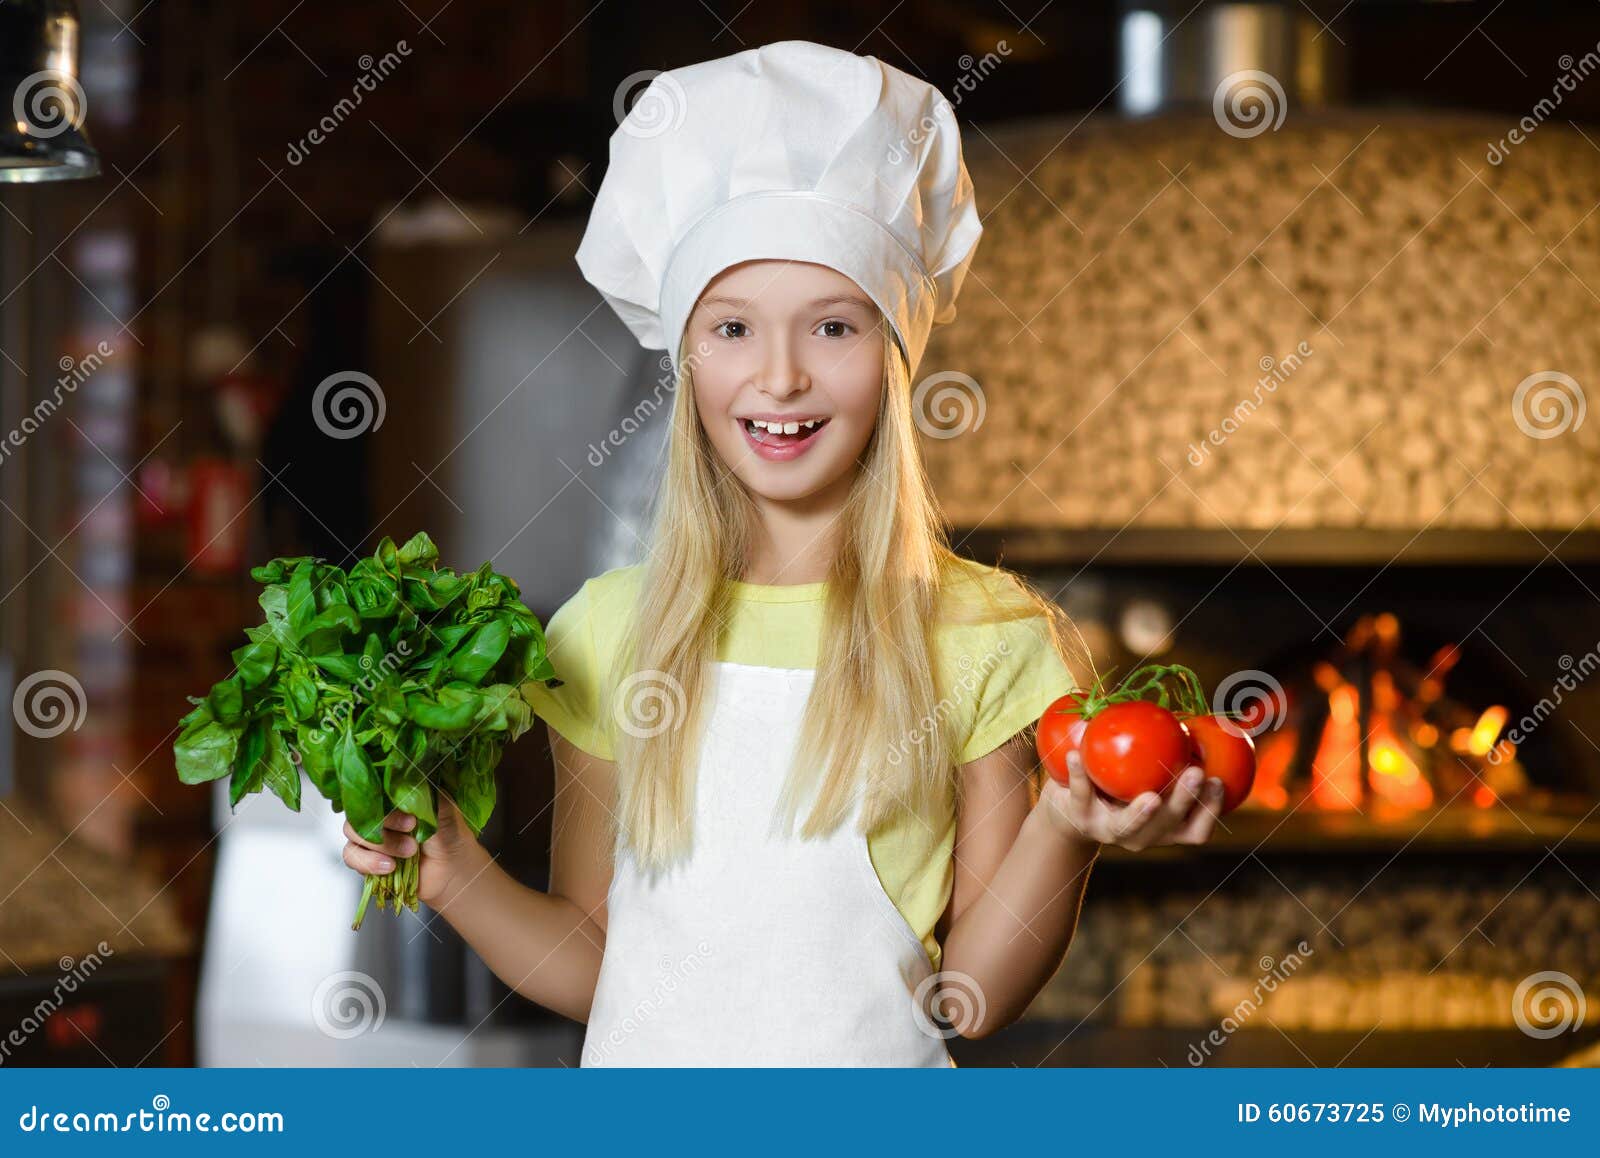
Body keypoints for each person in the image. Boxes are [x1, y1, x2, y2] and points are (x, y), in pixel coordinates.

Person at [341, 39, 1225, 1067]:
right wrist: (455, 873)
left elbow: (974, 999)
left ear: (895, 357)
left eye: (834, 328)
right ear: (686, 357)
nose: (780, 376)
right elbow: (598, 964)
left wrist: (1063, 828)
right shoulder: (608, 630)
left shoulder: (987, 635)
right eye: (732, 330)